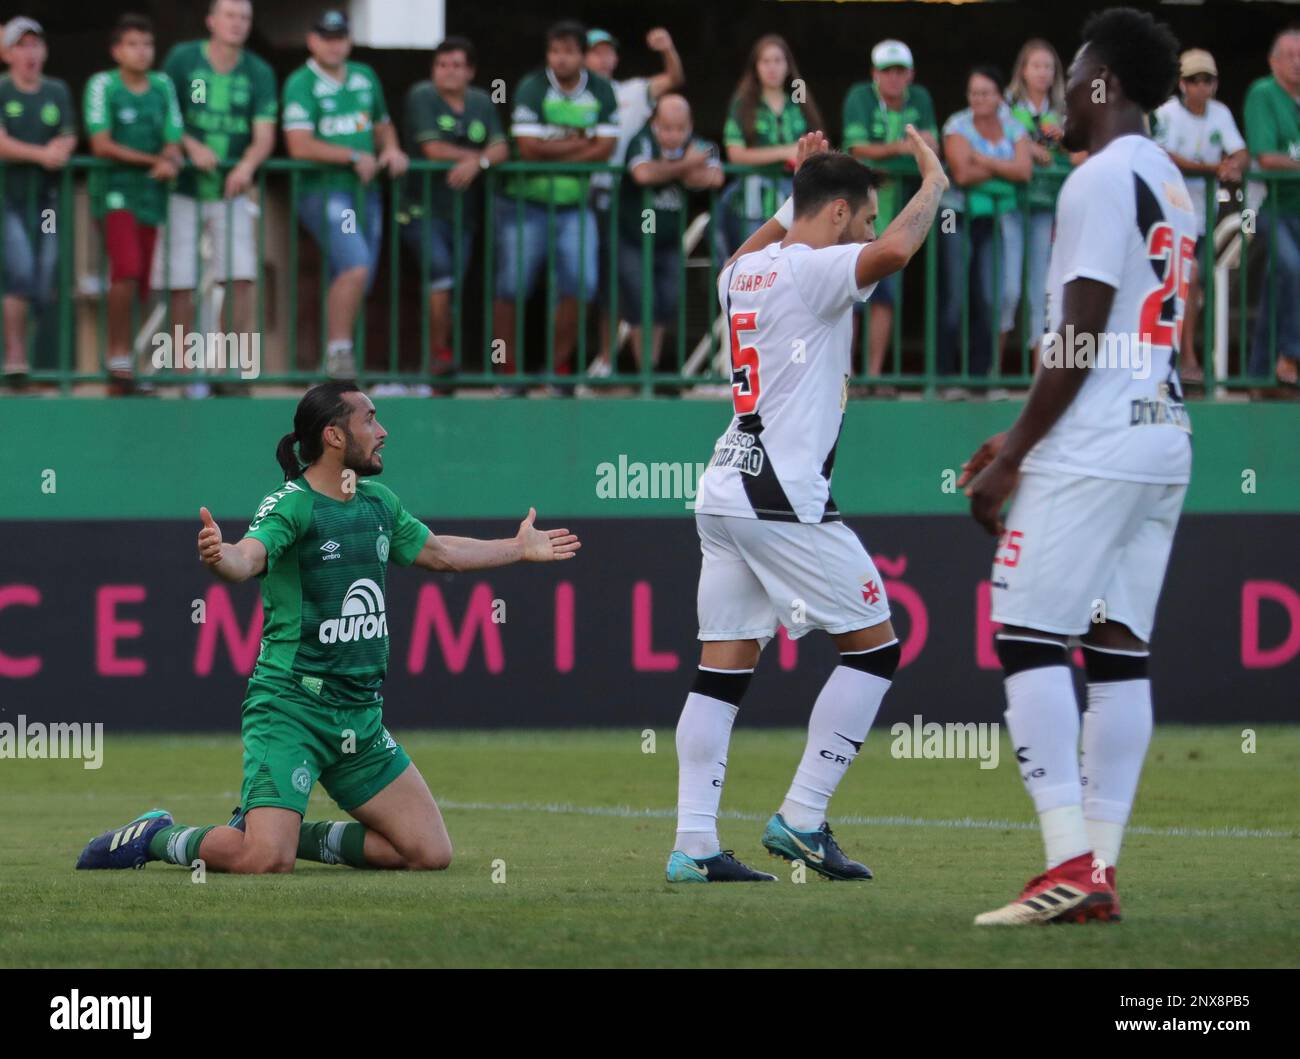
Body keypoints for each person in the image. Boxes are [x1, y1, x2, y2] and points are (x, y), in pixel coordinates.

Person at [76, 381, 581, 875]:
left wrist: (519, 548)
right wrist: (219, 556)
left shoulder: (378, 502)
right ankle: (156, 837)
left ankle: (296, 834)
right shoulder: (292, 503)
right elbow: (246, 558)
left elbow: (440, 553)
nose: (382, 431)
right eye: (369, 419)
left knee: (428, 853)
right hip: (291, 706)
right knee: (264, 860)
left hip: (359, 716)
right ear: (335, 436)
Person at [959, 7, 1192, 925]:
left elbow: (1082, 332)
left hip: (1096, 439)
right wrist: (1022, 435)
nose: (1060, 92)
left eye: (1075, 74)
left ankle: (1069, 860)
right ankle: (1099, 867)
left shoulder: (1097, 179)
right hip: (1162, 430)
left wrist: (1017, 451)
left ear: (1108, 85)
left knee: (1024, 632)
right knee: (1118, 648)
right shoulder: (1173, 179)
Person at [666, 131, 947, 883]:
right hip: (782, 497)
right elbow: (892, 254)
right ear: (839, 214)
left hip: (726, 484)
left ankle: (693, 843)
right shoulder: (815, 270)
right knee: (876, 648)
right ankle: (801, 815)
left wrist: (794, 189)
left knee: (719, 671)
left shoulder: (746, 271)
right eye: (862, 218)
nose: (867, 233)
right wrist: (934, 185)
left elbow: (738, 261)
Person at [156, 0, 277, 396]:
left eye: (244, 17)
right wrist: (190, 145)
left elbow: (263, 135)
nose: (237, 23)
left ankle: (231, 371)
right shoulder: (183, 59)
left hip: (232, 192)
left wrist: (245, 166)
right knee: (180, 281)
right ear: (211, 20)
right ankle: (182, 371)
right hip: (183, 189)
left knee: (241, 278)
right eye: (230, 15)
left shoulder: (258, 71)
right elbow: (164, 110)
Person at [283, 10, 408, 379]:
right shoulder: (300, 82)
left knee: (358, 275)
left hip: (365, 193)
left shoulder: (365, 76)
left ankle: (331, 358)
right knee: (355, 263)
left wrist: (391, 149)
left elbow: (383, 125)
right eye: (326, 37)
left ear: (348, 41)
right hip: (324, 193)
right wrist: (352, 155)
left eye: (339, 37)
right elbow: (299, 144)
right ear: (312, 41)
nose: (333, 44)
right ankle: (339, 353)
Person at [494, 20, 618, 391]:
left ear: (582, 55)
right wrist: (582, 141)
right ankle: (507, 370)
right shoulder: (532, 86)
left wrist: (555, 148)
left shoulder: (601, 90)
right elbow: (529, 151)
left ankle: (556, 367)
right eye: (554, 51)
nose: (560, 59)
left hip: (575, 207)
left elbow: (605, 151)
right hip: (523, 203)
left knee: (583, 285)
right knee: (510, 287)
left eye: (567, 51)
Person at [84, 14, 185, 390]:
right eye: (132, 45)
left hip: (151, 197)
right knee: (125, 268)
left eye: (147, 45)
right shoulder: (102, 84)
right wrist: (154, 161)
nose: (142, 52)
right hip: (114, 192)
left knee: (142, 280)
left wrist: (172, 156)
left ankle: (127, 368)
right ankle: (118, 358)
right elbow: (101, 143)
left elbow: (174, 134)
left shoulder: (162, 85)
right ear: (116, 50)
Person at [399, 35, 507, 383]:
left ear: (471, 71)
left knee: (451, 288)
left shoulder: (481, 101)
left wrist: (481, 163)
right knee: (441, 276)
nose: (448, 72)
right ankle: (436, 358)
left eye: (457, 65)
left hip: (463, 215)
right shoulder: (422, 95)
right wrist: (477, 158)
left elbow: (502, 147)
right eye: (442, 65)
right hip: (419, 209)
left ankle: (442, 361)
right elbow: (432, 148)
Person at [583, 26, 685, 386]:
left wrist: (667, 47)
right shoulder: (574, 95)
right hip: (583, 195)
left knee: (623, 280)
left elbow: (674, 77)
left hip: (623, 200)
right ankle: (603, 358)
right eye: (595, 52)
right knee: (592, 280)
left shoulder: (631, 92)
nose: (603, 58)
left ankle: (626, 364)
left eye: (608, 51)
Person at [842, 40, 939, 386]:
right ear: (874, 74)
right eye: (887, 71)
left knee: (884, 296)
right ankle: (845, 375)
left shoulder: (922, 98)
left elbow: (931, 149)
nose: (894, 78)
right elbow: (856, 149)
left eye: (900, 71)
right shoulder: (859, 96)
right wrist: (902, 148)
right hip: (857, 213)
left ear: (910, 74)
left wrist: (883, 154)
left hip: (899, 213)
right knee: (849, 295)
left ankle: (874, 376)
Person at [1152, 49, 1247, 386]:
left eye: (1207, 80)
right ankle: (1187, 357)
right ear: (1181, 83)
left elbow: (1240, 152)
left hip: (1208, 220)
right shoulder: (1165, 115)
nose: (1201, 86)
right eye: (1194, 80)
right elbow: (1164, 155)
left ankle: (1209, 362)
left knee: (1208, 285)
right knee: (1184, 282)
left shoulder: (1220, 113)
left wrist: (1234, 165)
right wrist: (1213, 169)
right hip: (1168, 219)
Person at [618, 94, 722, 374]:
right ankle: (645, 373)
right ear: (655, 122)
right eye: (667, 128)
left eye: (680, 128)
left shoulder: (699, 143)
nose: (674, 135)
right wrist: (687, 166)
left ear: (689, 125)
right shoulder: (641, 140)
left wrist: (667, 169)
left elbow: (714, 177)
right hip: (633, 236)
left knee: (667, 300)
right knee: (642, 300)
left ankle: (650, 368)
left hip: (669, 239)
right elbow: (643, 174)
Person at [941, 65, 1032, 382]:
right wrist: (1002, 169)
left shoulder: (1013, 126)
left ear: (999, 96)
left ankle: (979, 377)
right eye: (974, 93)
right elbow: (961, 174)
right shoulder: (957, 124)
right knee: (954, 295)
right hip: (954, 216)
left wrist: (982, 160)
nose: (979, 99)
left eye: (986, 93)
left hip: (992, 219)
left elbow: (1024, 171)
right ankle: (946, 376)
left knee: (990, 297)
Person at [0, 17, 74, 387]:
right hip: (8, 200)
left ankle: (36, 355)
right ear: (8, 53)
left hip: (46, 202)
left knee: (44, 279)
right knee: (20, 272)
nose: (29, 53)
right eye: (21, 46)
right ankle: (15, 357)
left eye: (35, 45)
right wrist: (41, 155)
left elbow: (68, 135)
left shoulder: (57, 90)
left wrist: (59, 149)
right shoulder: (1, 90)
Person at [719, 35, 825, 261]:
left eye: (778, 61)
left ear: (788, 65)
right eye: (765, 61)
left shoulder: (799, 101)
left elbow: (820, 145)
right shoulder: (743, 103)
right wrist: (785, 152)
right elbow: (735, 154)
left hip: (797, 199)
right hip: (753, 201)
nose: (772, 68)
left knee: (794, 262)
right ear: (755, 67)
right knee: (753, 263)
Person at [1005, 39, 1072, 361]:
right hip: (1010, 206)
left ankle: (1038, 374)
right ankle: (993, 371)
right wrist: (1028, 148)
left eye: (1049, 67)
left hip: (1047, 209)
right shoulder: (1006, 105)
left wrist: (1065, 141)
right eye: (1036, 66)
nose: (1043, 73)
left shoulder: (1062, 112)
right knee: (1007, 290)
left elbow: (1078, 154)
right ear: (1023, 70)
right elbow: (996, 138)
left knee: (1041, 290)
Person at [1243, 26, 1300, 387]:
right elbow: (1265, 157)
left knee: (1280, 283)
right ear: (1273, 61)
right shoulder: (1262, 93)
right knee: (1292, 268)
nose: (1297, 63)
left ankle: (1260, 372)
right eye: (1290, 56)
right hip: (1262, 209)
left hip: (1297, 209)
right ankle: (1291, 356)